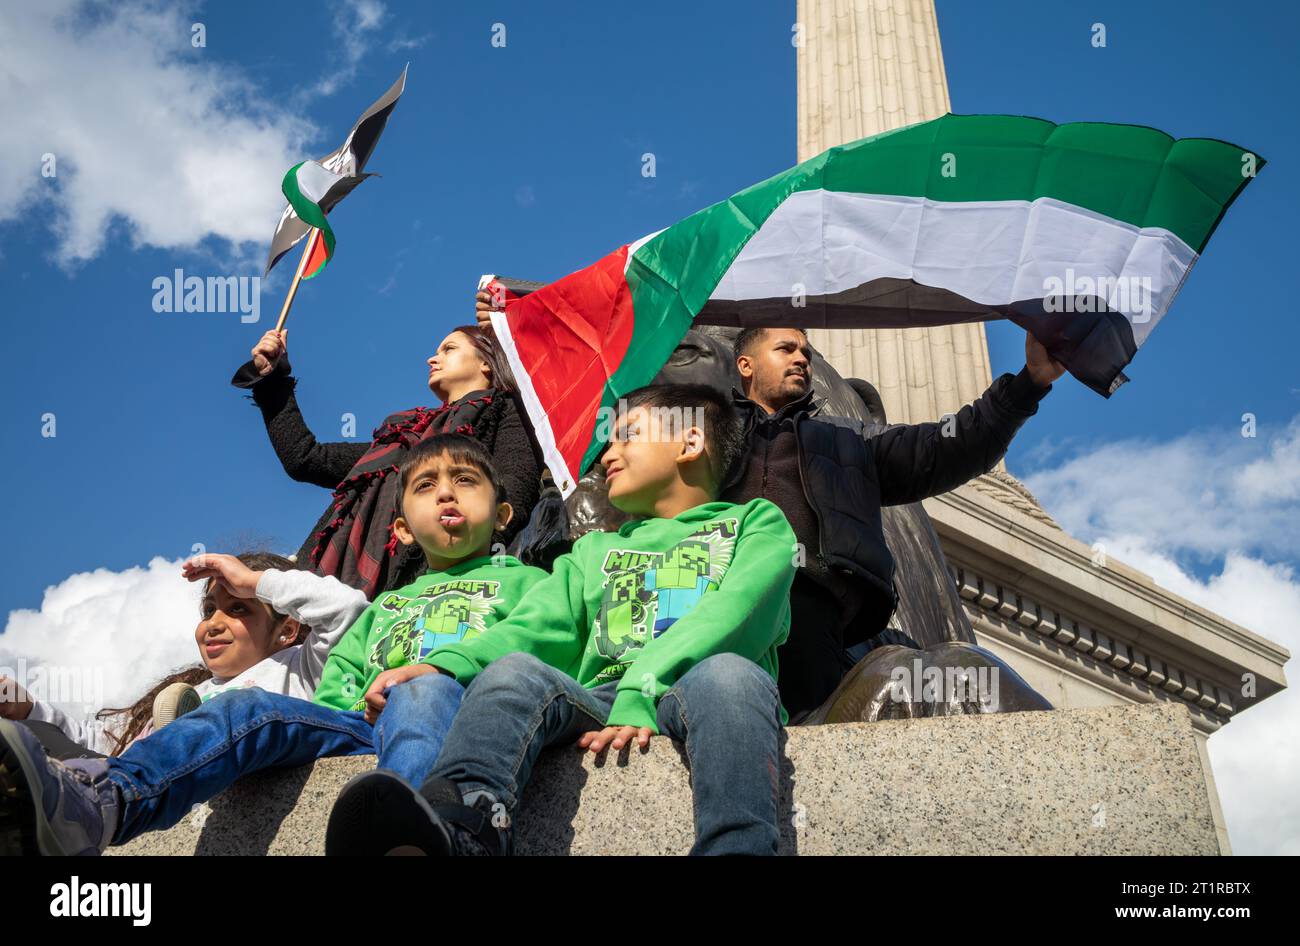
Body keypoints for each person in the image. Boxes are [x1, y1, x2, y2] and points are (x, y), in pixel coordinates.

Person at [0, 435, 546, 855]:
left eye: (466, 481)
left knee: (420, 695)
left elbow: (539, 655)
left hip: (459, 724)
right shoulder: (389, 606)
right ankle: (98, 804)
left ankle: (401, 835)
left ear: (503, 513)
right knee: (247, 706)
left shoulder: (531, 582)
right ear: (401, 530)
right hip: (361, 728)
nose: (446, 492)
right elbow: (337, 688)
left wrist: (433, 672)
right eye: (425, 486)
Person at [324, 383, 798, 856]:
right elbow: (534, 628)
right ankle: (464, 830)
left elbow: (736, 612)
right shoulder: (591, 550)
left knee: (733, 675)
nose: (606, 454)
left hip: (703, 686)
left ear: (689, 443)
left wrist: (643, 688)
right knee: (512, 672)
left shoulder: (758, 523)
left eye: (625, 435)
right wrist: (444, 665)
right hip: (600, 697)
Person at [722, 326, 1065, 718]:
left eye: (806, 352)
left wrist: (1031, 382)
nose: (802, 359)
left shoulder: (850, 441)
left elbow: (949, 446)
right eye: (786, 349)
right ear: (745, 364)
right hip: (716, 602)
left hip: (812, 618)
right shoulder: (703, 437)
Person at [232, 322, 542, 597]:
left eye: (449, 348)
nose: (432, 359)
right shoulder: (400, 437)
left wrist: (462, 567)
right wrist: (270, 378)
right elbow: (305, 458)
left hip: (441, 589)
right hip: (335, 595)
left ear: (487, 363)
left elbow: (515, 488)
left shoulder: (509, 410)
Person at [0, 552, 365, 757]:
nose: (214, 623)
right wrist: (28, 710)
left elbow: (348, 610)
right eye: (208, 610)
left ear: (286, 629)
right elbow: (94, 744)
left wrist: (254, 582)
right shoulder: (188, 695)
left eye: (239, 609)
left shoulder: (298, 668)